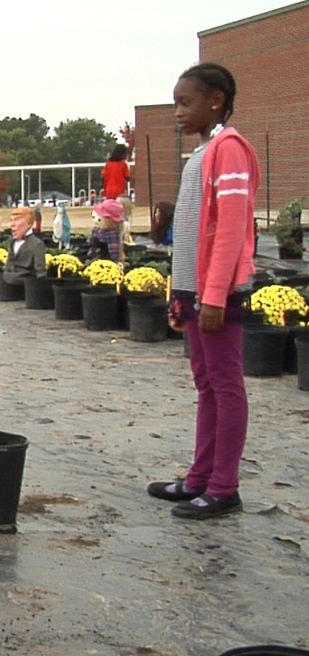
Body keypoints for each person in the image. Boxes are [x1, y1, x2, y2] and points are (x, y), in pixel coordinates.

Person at [148, 62, 259, 519]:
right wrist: (180, 295)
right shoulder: (203, 150)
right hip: (194, 291)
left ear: (216, 100)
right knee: (206, 383)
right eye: (175, 102)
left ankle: (224, 487)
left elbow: (231, 229)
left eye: (185, 102)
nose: (178, 111)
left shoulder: (229, 149)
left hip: (217, 294)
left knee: (226, 385)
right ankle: (200, 477)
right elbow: (192, 231)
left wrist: (214, 295)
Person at [1, 207, 46, 286]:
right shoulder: (12, 243)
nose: (12, 224)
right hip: (8, 286)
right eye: (11, 220)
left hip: (26, 286)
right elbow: (8, 265)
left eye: (17, 220)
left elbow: (40, 273)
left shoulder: (36, 244)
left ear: (29, 224)